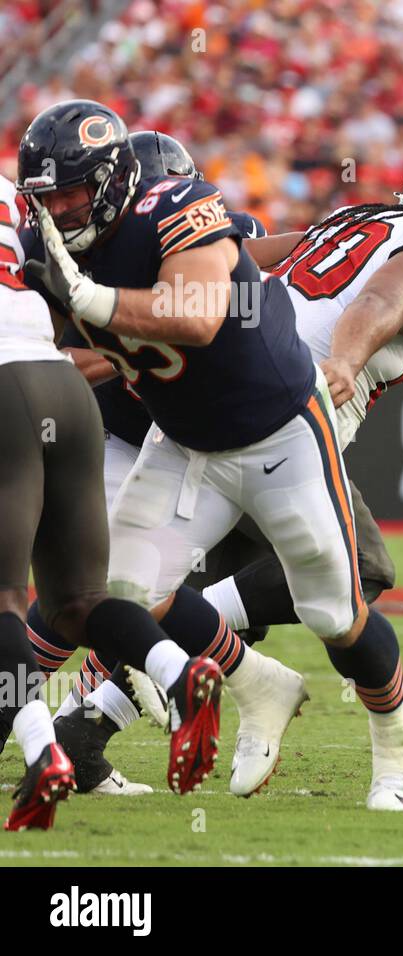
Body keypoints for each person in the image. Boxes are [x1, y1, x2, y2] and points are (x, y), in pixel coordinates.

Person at [61, 141, 403, 795]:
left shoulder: (356, 220)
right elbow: (386, 299)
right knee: (151, 592)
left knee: (275, 604)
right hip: (284, 411)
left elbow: (245, 260)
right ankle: (242, 693)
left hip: (230, 396)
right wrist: (346, 358)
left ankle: (101, 715)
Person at [15, 98, 403, 810]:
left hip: (281, 435)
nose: (62, 209)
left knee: (334, 612)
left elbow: (198, 318)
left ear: (113, 180)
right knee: (118, 590)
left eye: (74, 192)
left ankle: (397, 740)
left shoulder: (178, 202)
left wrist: (86, 295)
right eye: (47, 197)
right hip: (182, 443)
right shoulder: (49, 240)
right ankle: (254, 679)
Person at [0, 172, 223, 828]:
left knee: (6, 599)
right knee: (78, 602)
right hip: (60, 382)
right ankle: (179, 673)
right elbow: (60, 286)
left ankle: (44, 754)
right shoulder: (13, 188)